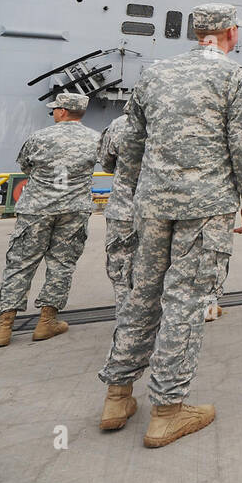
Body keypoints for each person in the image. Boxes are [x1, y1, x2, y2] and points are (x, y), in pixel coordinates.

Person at [97, 3, 242, 447]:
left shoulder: (154, 74)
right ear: (231, 32)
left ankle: (117, 396)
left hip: (151, 203)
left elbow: (131, 143)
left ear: (197, 32)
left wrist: (134, 194)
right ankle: (167, 411)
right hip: (204, 208)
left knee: (141, 295)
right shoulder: (234, 76)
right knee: (185, 303)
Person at [0, 92, 100, 348]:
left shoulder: (39, 137)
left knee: (21, 263)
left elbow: (26, 166)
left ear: (62, 112)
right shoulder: (95, 138)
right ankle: (46, 323)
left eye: (56, 109)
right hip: (74, 209)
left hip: (37, 210)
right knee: (62, 264)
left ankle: (3, 328)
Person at [98, 113, 138, 326]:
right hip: (163, 209)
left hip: (124, 208)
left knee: (121, 265)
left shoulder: (119, 124)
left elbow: (106, 164)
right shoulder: (176, 119)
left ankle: (126, 319)